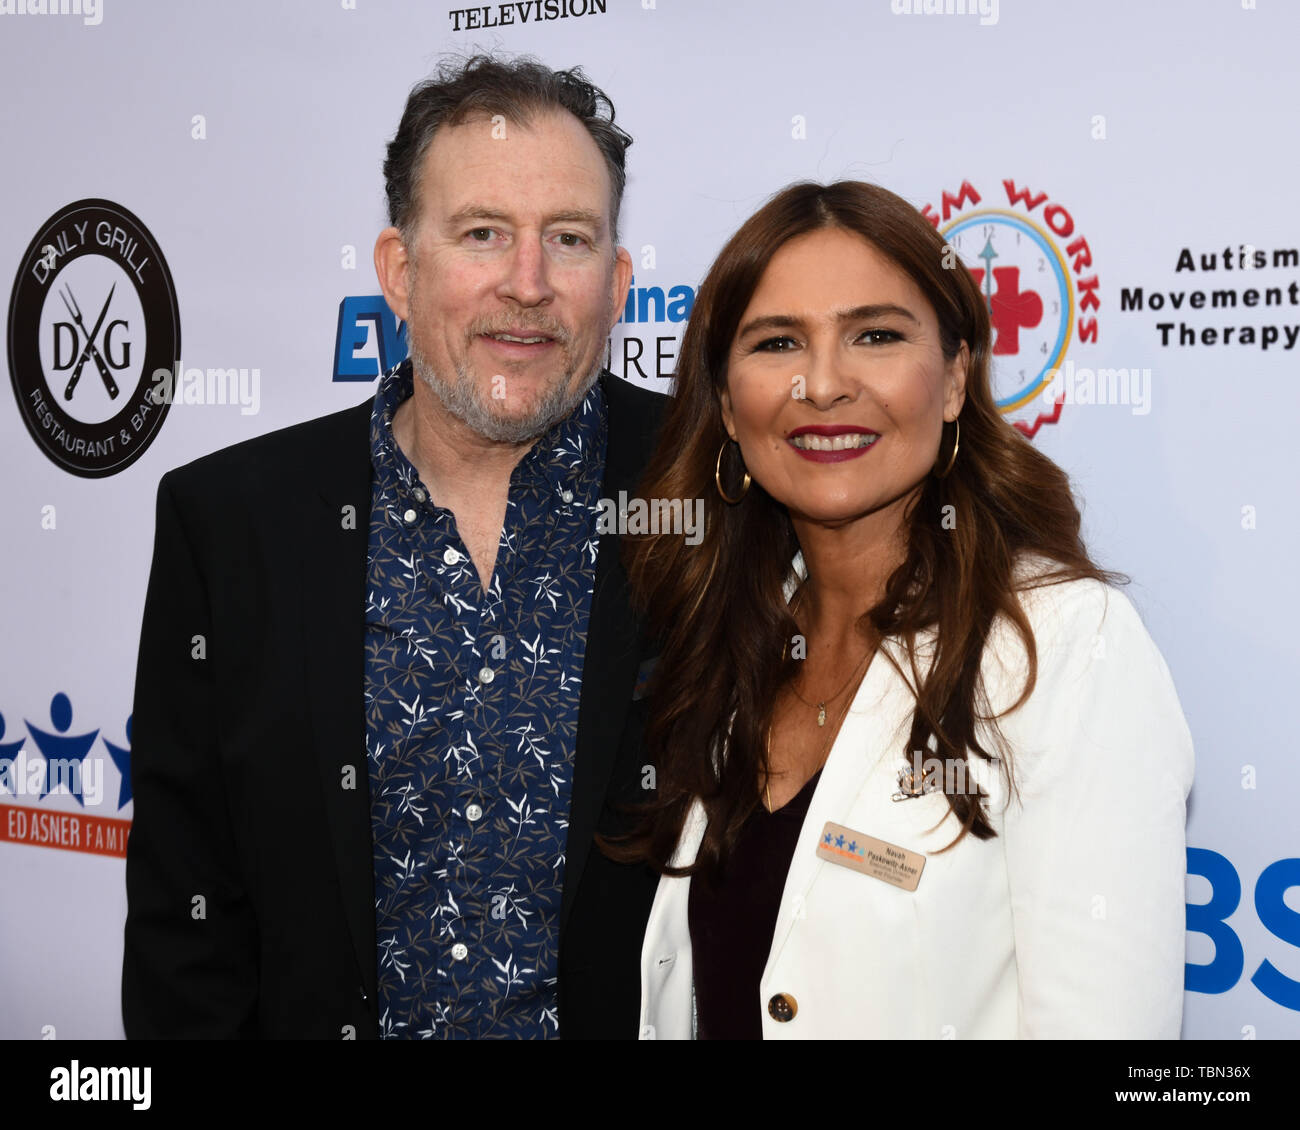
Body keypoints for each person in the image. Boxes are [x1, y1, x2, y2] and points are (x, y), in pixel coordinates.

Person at [122, 55, 668, 1040]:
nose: (528, 283)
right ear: (398, 271)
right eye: (482, 234)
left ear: (619, 280)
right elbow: (185, 921)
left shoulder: (719, 494)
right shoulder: (234, 520)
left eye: (570, 239)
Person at [617, 180, 1194, 1039]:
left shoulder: (1065, 646)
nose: (823, 385)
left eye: (875, 335)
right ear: (729, 406)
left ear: (957, 377)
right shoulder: (723, 641)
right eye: (778, 343)